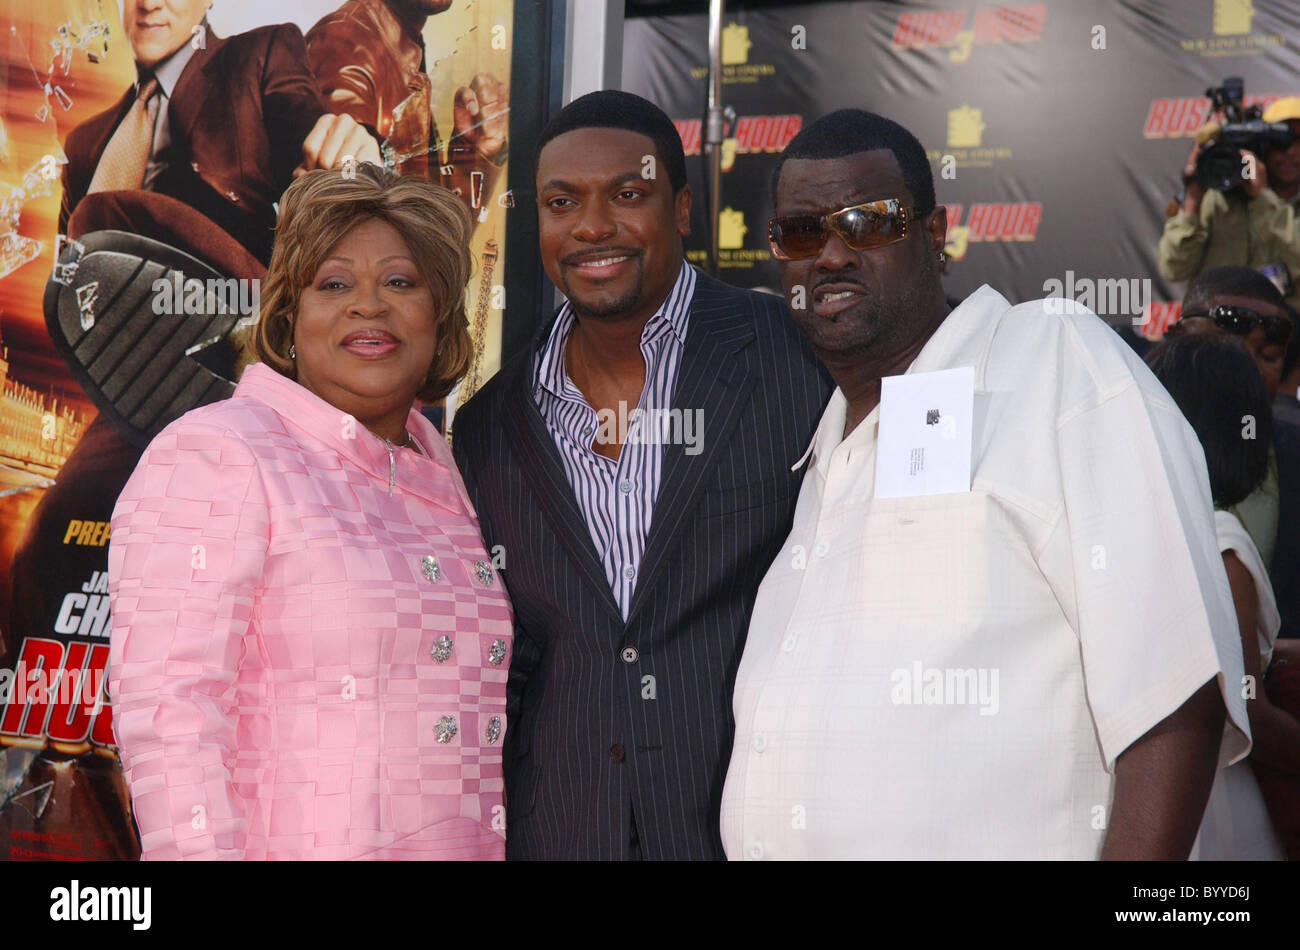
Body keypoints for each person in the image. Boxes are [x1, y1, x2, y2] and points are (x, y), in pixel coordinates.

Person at [720, 109, 1248, 860]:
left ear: (934, 235)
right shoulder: (825, 454)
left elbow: (1176, 696)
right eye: (801, 232)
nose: (831, 254)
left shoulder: (1049, 358)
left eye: (869, 222)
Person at [451, 91, 831, 860]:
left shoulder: (795, 357)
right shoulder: (490, 425)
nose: (592, 226)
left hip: (751, 826)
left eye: (628, 195)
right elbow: (514, 657)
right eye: (563, 202)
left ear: (682, 209)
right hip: (560, 829)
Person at [107, 165, 512, 859]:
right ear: (289, 317)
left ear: (438, 315)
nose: (369, 306)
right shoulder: (221, 453)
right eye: (333, 283)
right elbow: (173, 717)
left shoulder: (452, 473)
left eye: (400, 282)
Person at [1145, 335, 1291, 860]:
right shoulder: (1220, 539)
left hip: (1143, 803)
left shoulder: (1132, 533)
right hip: (1215, 810)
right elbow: (1248, 708)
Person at [1166, 266, 1300, 636]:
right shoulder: (1122, 438)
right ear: (1176, 336)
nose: (1246, 368)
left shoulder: (1294, 458)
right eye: (1227, 347)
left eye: (1268, 355)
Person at [306, 0, 508, 199]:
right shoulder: (349, 46)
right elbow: (352, 215)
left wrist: (474, 150)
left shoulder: (399, 38)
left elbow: (424, 222)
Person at [1158, 97, 1300, 310]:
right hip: (1214, 326)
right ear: (1262, 144)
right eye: (1282, 143)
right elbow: (1172, 268)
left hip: (1281, 332)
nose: (1292, 152)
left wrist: (1262, 198)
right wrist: (1193, 199)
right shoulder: (1217, 197)